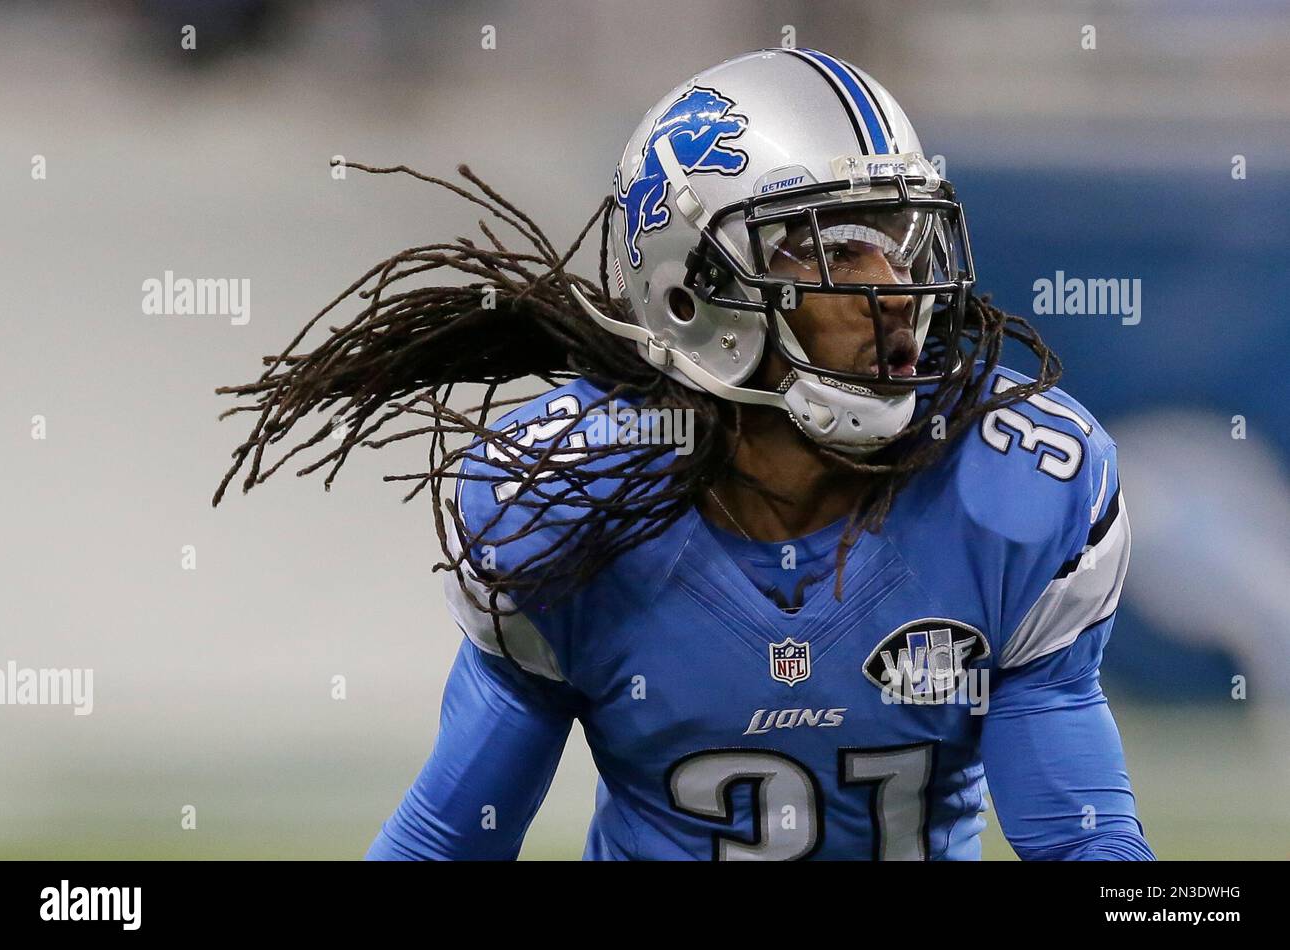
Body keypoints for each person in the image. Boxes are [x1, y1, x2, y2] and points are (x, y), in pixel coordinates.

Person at [216, 49, 1152, 860]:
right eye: (837, 252)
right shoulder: (570, 507)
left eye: (903, 245)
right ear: (689, 293)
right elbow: (452, 838)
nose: (898, 292)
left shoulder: (1011, 491)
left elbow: (1080, 840)